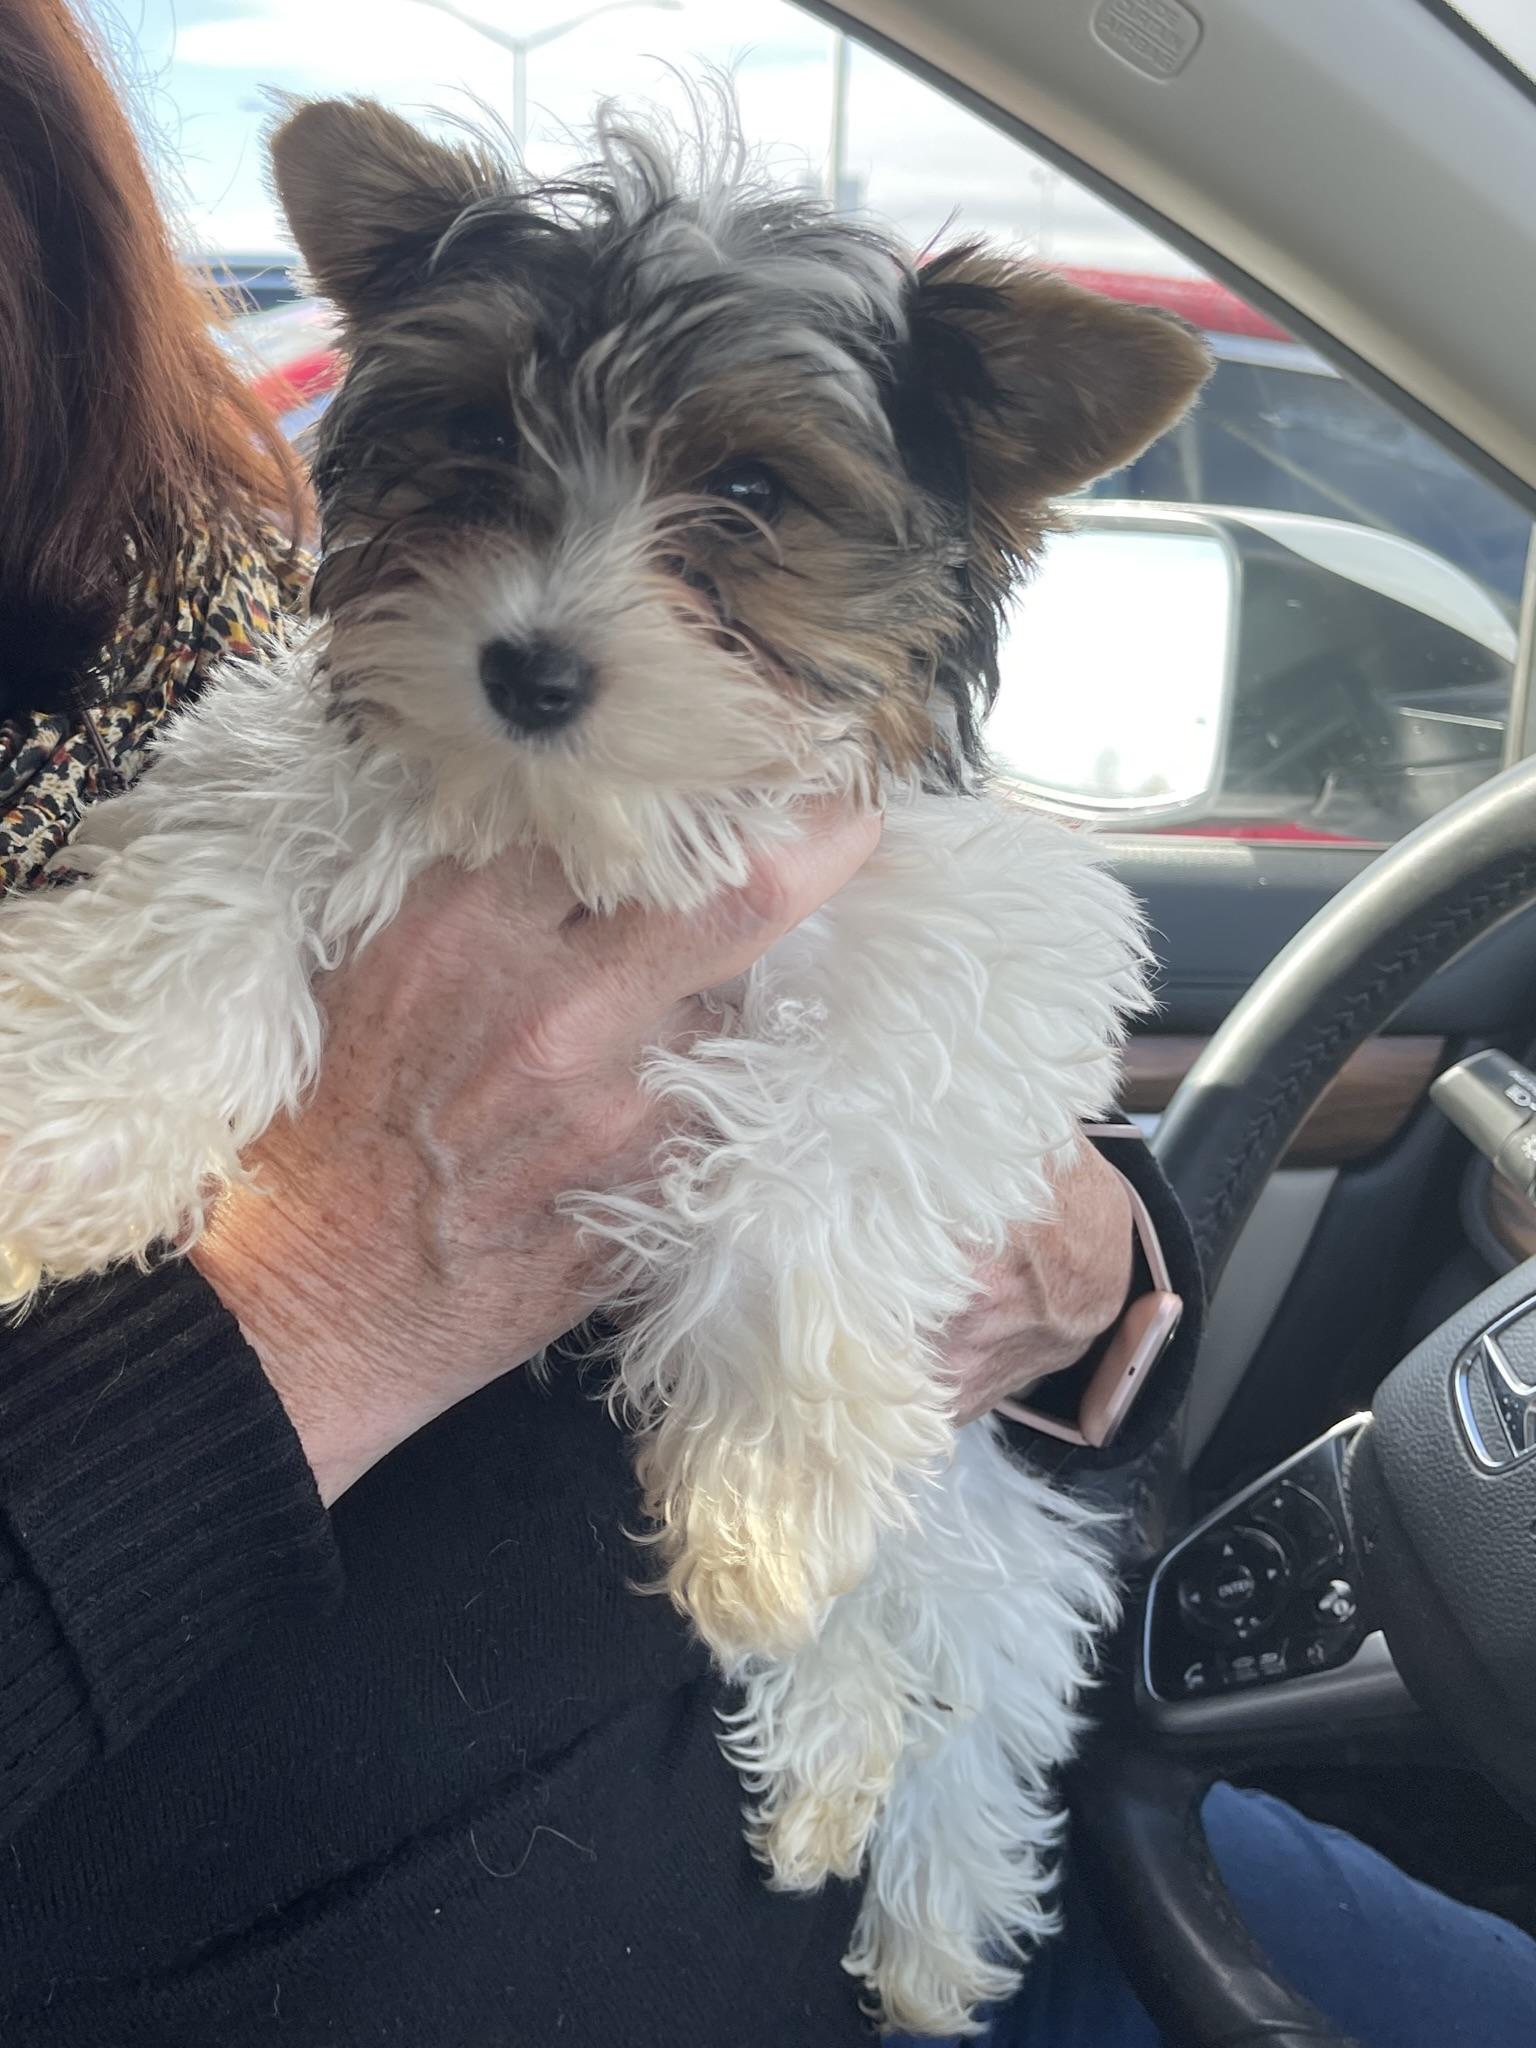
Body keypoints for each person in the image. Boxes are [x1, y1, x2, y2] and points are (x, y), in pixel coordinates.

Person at [2, 4, 1533, 2044]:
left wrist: (1092, 1273)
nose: (556, 589)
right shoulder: (294, 760)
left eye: (745, 500)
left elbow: (1013, 1172)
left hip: (931, 1812)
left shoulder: (202, 600)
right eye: (479, 454)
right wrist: (326, 1283)